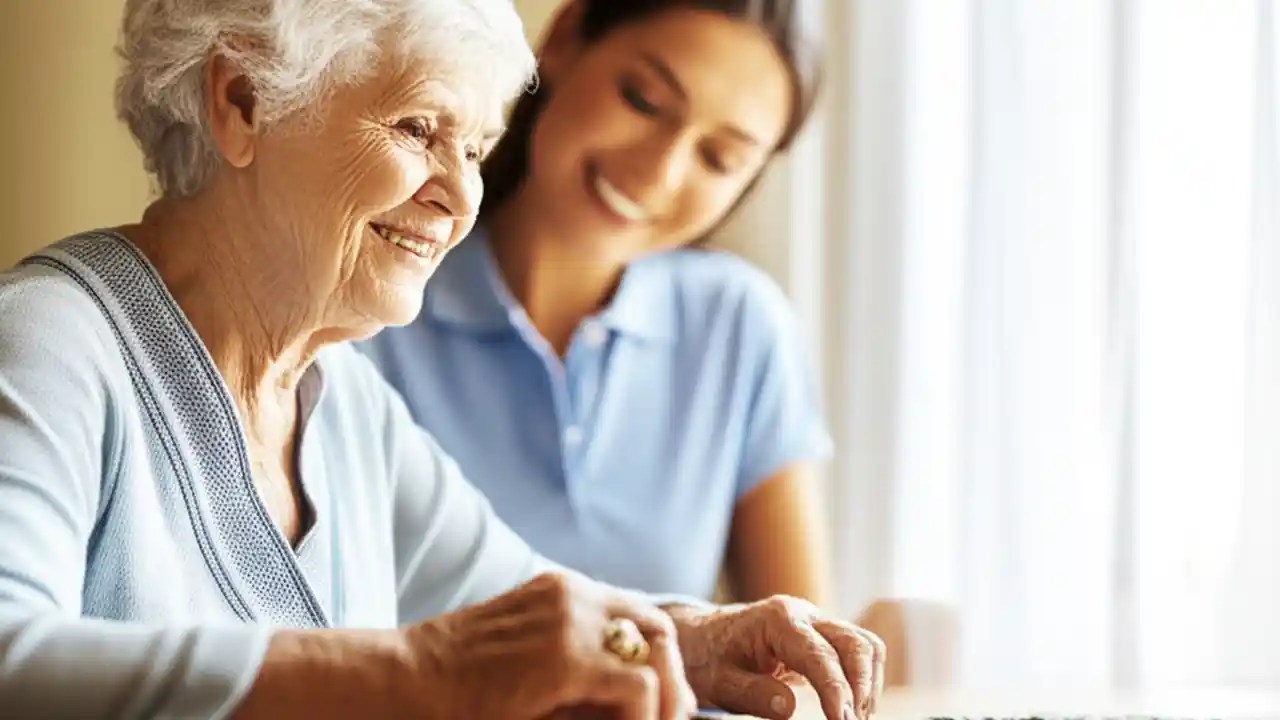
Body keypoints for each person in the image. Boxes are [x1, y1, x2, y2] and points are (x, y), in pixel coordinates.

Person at [0, 1, 883, 719]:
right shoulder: (51, 341)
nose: (460, 196)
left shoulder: (341, 400)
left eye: (476, 149)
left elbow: (530, 609)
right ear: (243, 103)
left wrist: (701, 637)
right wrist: (420, 670)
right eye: (421, 129)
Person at [360, 0, 833, 603]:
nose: (659, 173)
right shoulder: (376, 293)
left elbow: (802, 656)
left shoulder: (739, 326)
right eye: (643, 100)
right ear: (563, 40)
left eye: (718, 159)